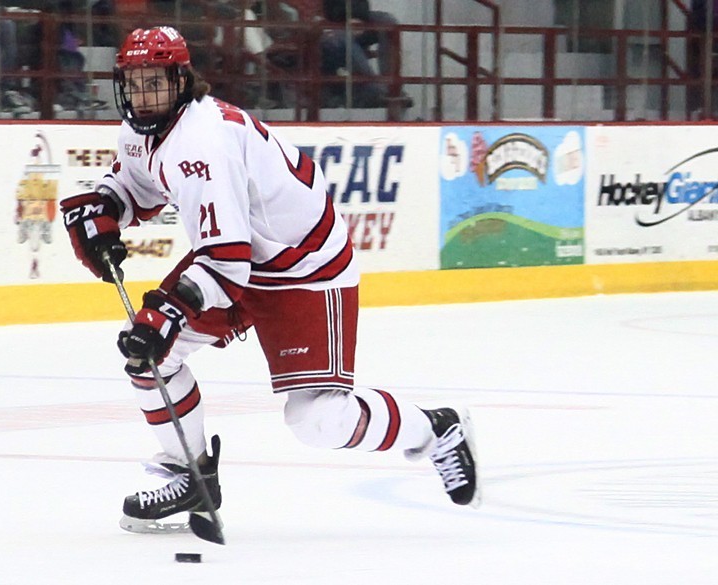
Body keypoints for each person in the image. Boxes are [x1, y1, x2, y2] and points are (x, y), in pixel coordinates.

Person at [59, 26, 479, 534]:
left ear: (182, 80)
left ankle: (436, 431)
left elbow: (226, 259)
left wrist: (168, 310)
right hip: (238, 254)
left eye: (156, 82)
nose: (145, 96)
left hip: (303, 265)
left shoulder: (202, 141)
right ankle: (188, 472)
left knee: (318, 420)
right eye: (136, 83)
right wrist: (104, 207)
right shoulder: (145, 132)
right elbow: (138, 185)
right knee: (151, 357)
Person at [320, 0, 410, 117]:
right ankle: (376, 89)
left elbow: (361, 4)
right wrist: (346, 20)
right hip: (334, 25)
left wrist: (359, 18)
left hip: (357, 20)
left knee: (388, 22)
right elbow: (329, 8)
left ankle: (392, 88)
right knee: (344, 37)